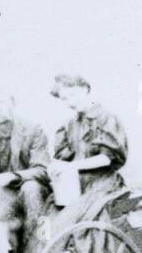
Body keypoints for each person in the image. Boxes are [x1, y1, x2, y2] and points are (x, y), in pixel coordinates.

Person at [50, 75, 128, 212]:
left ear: (85, 89)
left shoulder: (106, 118)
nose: (70, 102)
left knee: (77, 216)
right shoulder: (69, 125)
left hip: (102, 182)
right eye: (64, 98)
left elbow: (106, 159)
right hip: (75, 183)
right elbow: (62, 159)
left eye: (72, 94)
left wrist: (71, 166)